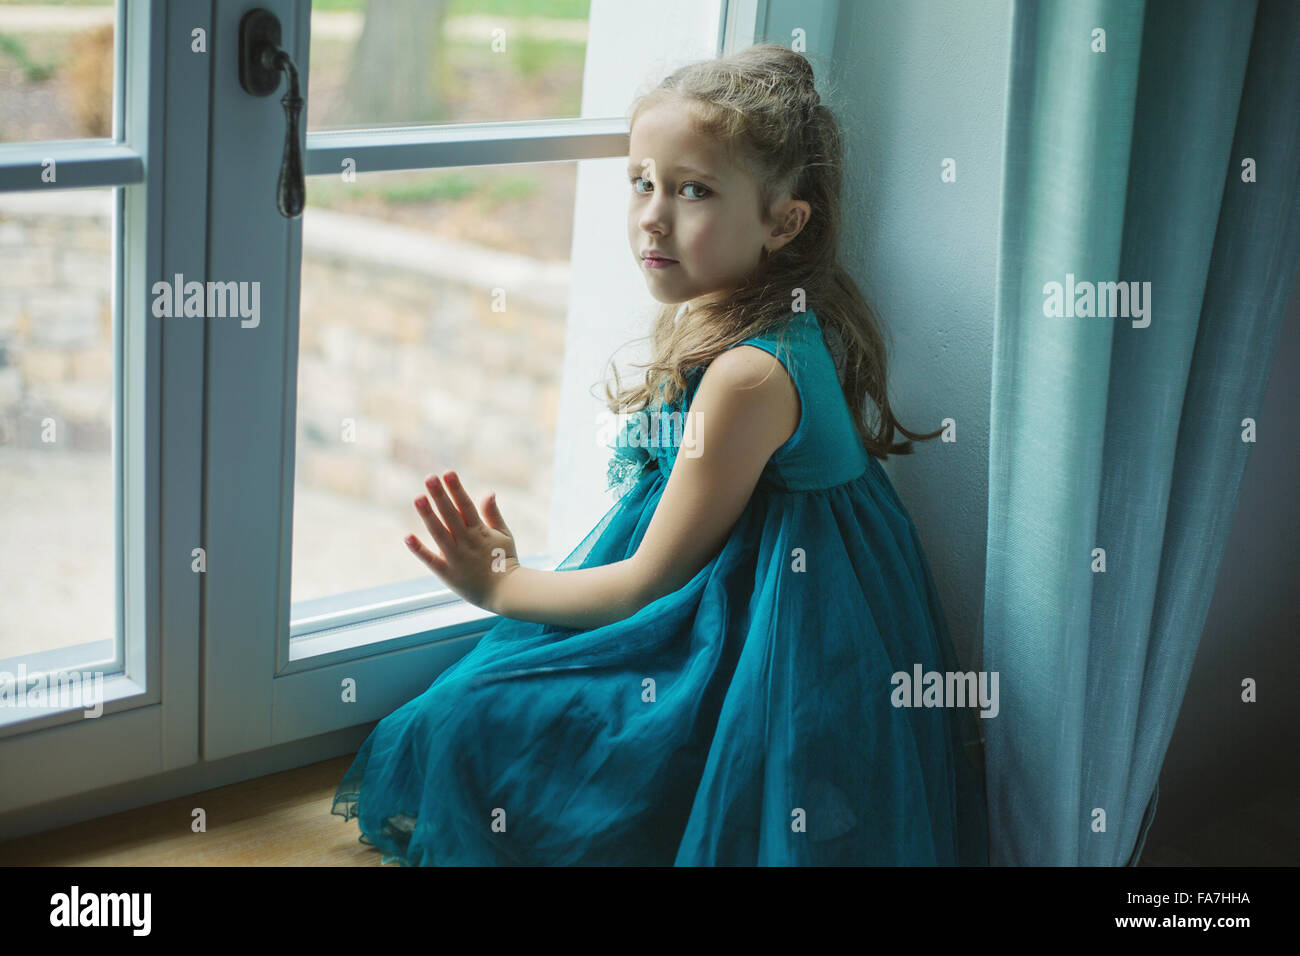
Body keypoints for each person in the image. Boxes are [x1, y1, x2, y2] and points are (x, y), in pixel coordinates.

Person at [331, 42, 989, 866]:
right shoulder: (741, 318)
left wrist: (500, 585)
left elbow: (650, 580)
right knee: (483, 715)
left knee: (468, 721)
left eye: (695, 190)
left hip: (774, 640)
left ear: (783, 223)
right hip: (733, 594)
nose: (654, 214)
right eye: (642, 180)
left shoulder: (751, 375)